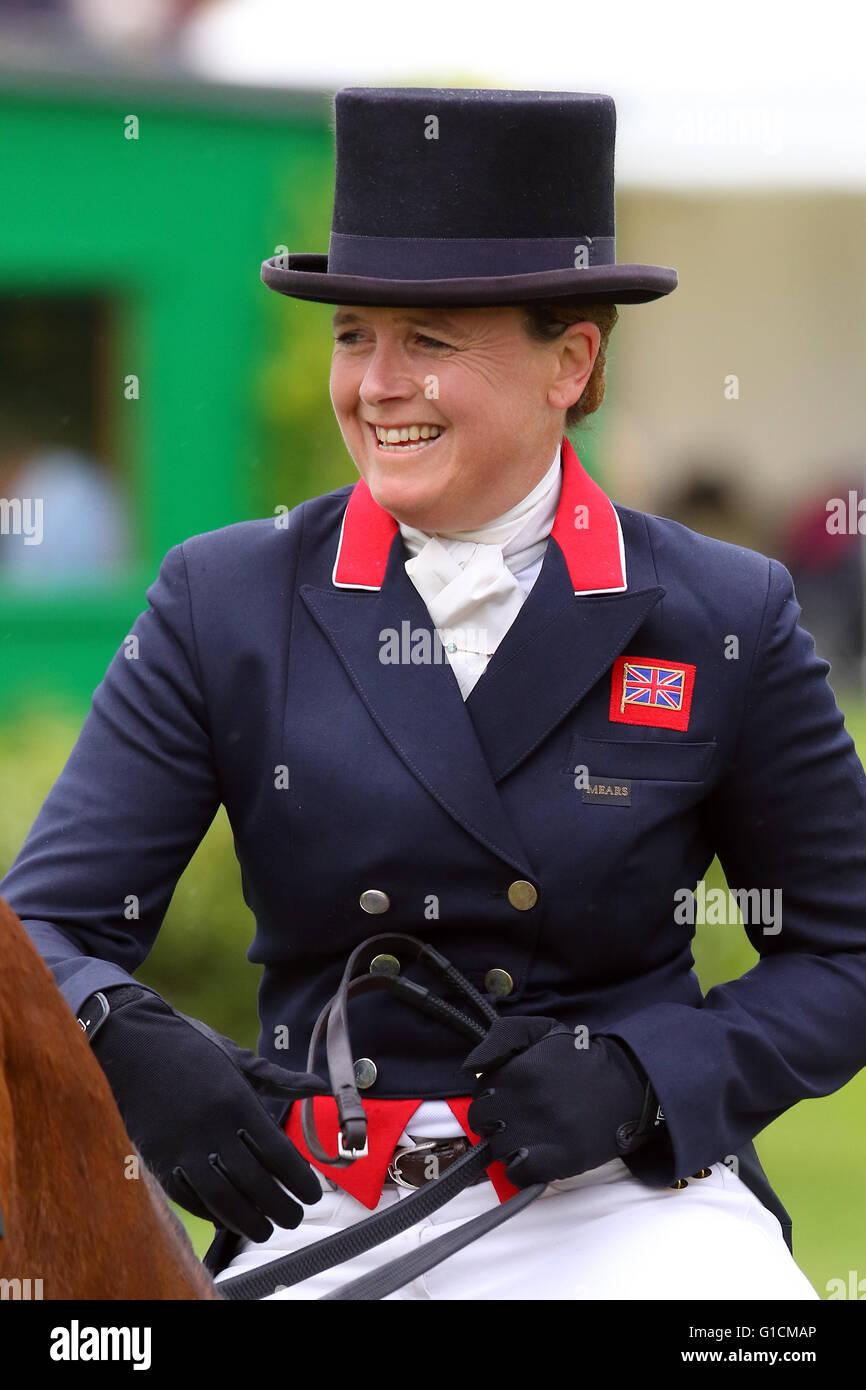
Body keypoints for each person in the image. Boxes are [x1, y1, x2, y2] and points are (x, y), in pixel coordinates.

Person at [4, 86, 864, 1302]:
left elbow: (844, 949)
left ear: (569, 361)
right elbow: (43, 927)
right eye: (355, 335)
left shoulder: (725, 611)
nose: (375, 384)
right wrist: (128, 1036)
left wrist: (642, 1068)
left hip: (619, 1197)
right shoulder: (222, 597)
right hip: (315, 1188)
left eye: (430, 342)